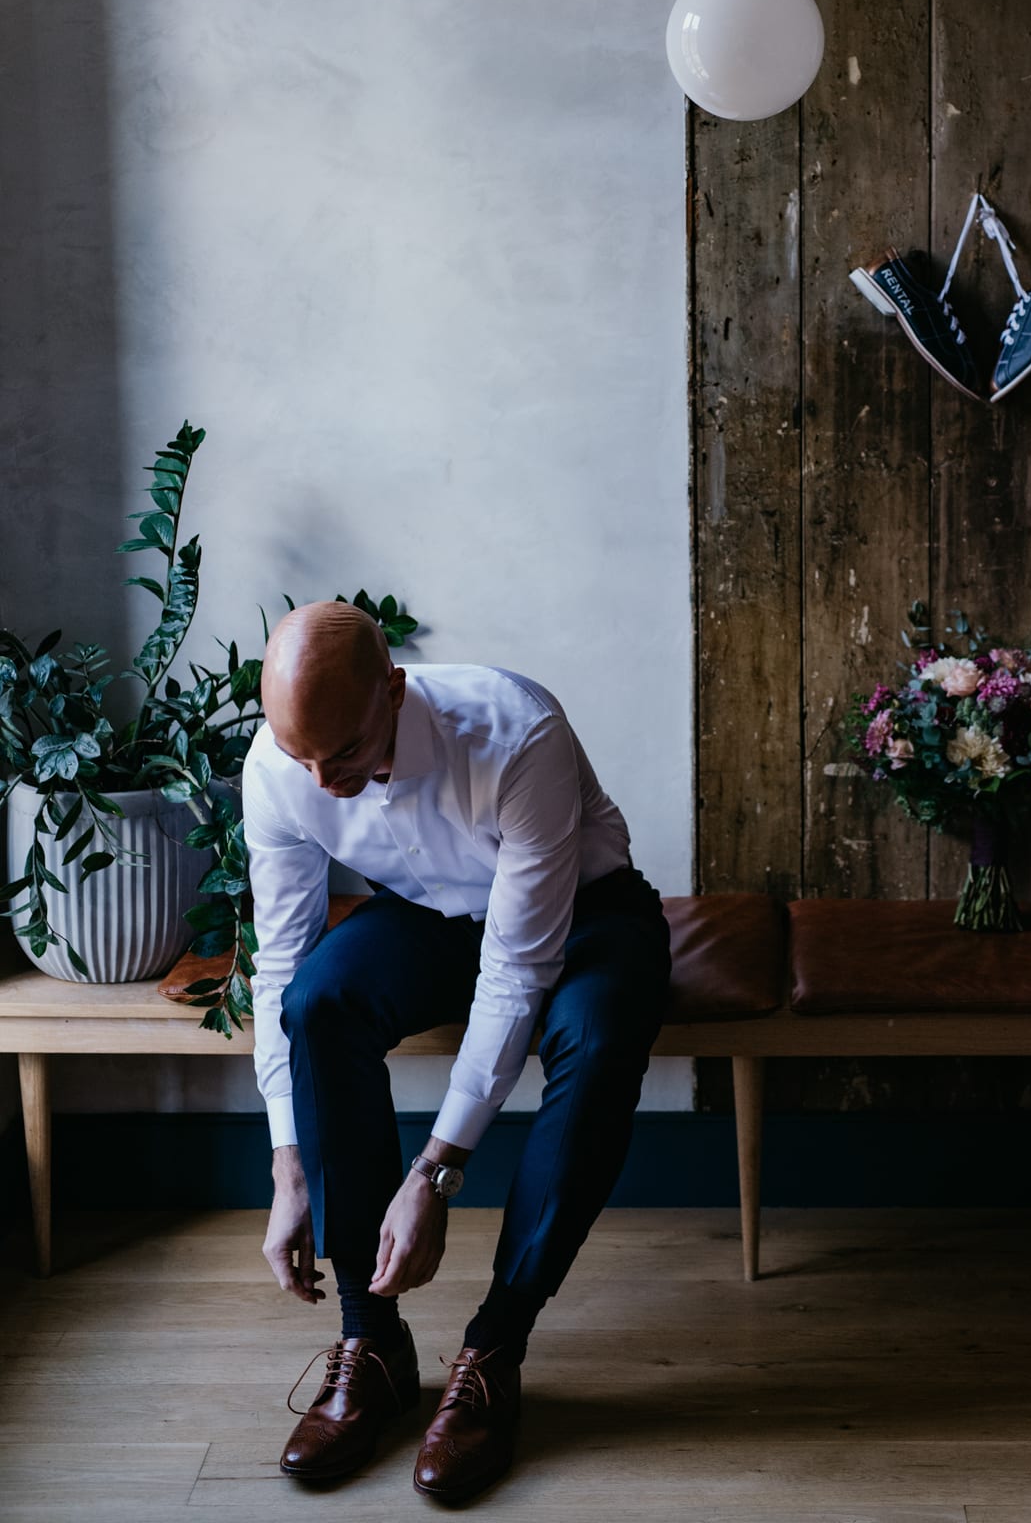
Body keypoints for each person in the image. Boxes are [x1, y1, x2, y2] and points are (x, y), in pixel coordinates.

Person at [245, 600, 671, 1502]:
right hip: (437, 914)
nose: (322, 784)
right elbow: (279, 964)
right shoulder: (279, 768)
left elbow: (519, 970)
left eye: (346, 757)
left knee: (595, 1041)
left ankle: (494, 1351)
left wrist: (435, 1172)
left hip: (588, 913)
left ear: (393, 693)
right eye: (300, 758)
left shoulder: (517, 732)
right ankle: (373, 1344)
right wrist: (288, 1166)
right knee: (319, 999)